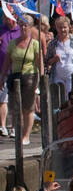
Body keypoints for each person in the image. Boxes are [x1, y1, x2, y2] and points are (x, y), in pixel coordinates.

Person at [0, 15, 44, 145]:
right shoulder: (13, 43)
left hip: (30, 76)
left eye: (26, 25)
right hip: (15, 77)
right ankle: (17, 132)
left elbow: (39, 63)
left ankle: (26, 135)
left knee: (28, 108)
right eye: (21, 25)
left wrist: (40, 82)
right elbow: (7, 61)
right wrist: (2, 77)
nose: (23, 27)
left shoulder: (34, 44)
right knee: (15, 107)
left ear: (30, 27)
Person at [45, 16, 73, 108]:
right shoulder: (53, 43)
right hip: (58, 77)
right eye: (60, 27)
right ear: (56, 28)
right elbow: (47, 62)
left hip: (72, 77)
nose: (63, 30)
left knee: (72, 100)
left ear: (69, 27)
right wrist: (54, 59)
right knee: (58, 101)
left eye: (65, 27)